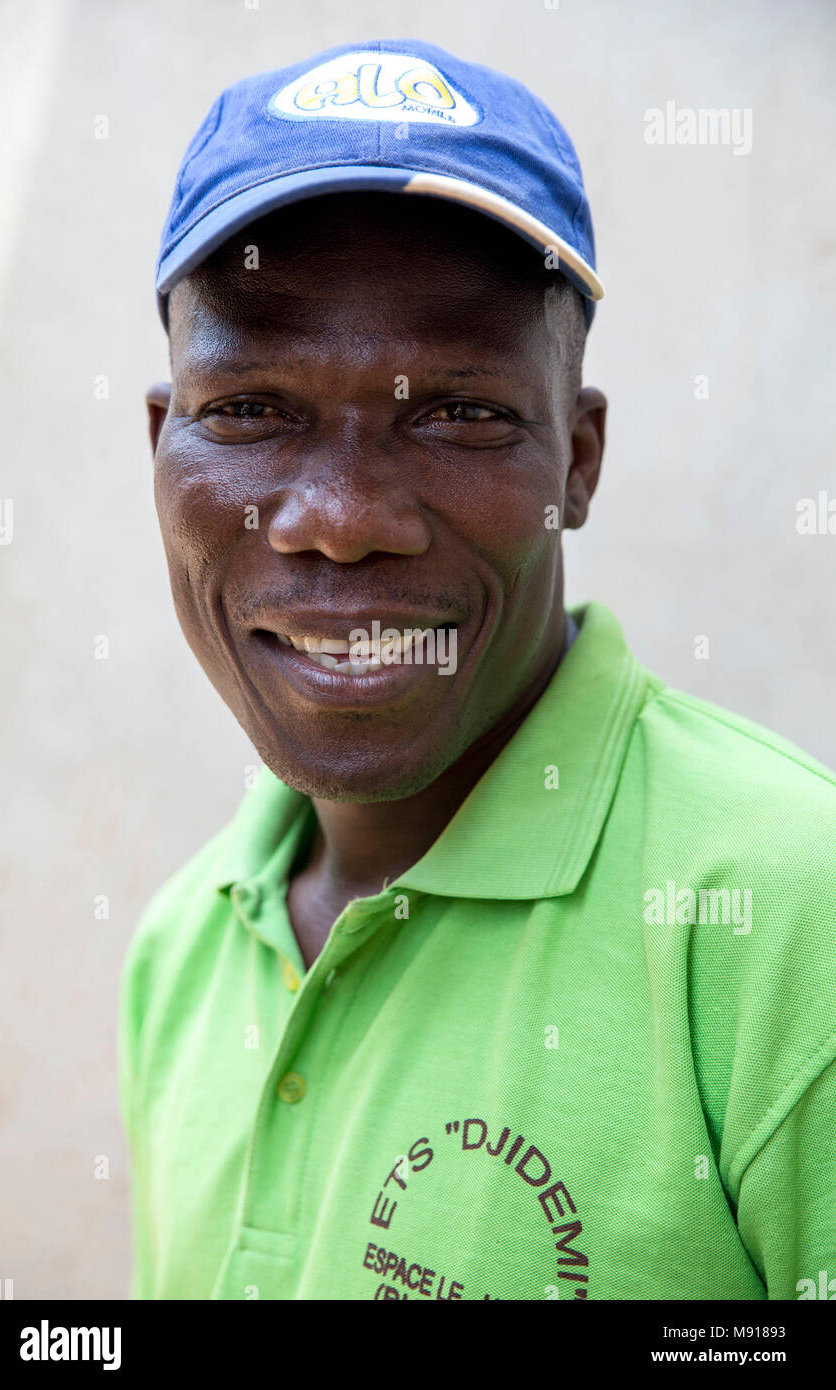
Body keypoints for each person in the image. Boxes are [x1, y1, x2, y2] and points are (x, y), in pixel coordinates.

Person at [120, 38, 836, 1301]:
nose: (338, 517)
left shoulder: (788, 915)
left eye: (456, 412)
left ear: (578, 459)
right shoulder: (180, 949)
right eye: (249, 409)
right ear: (163, 444)